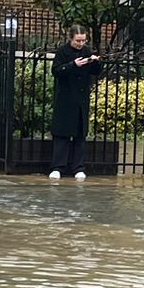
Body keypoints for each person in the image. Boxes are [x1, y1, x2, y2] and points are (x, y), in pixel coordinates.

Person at [47, 28, 102, 179]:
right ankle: (58, 166)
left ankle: (78, 167)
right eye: (78, 40)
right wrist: (73, 65)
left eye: (83, 40)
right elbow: (56, 71)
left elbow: (96, 72)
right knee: (62, 133)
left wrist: (96, 62)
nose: (81, 44)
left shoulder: (87, 51)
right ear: (71, 39)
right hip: (65, 98)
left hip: (81, 99)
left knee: (79, 134)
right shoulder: (62, 52)